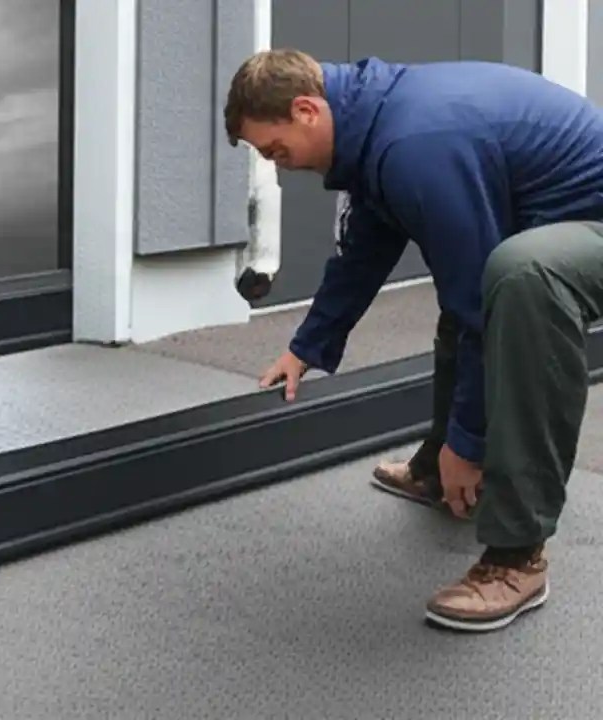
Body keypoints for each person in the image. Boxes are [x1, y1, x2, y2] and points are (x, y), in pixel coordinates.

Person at [223, 48, 603, 632]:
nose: (280, 164)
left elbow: (478, 303)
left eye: (276, 150)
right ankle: (438, 467)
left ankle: (516, 555)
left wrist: (471, 442)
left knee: (522, 278)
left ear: (306, 110)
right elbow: (363, 250)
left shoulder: (413, 145)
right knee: (481, 272)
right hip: (563, 217)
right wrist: (308, 346)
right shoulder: (374, 126)